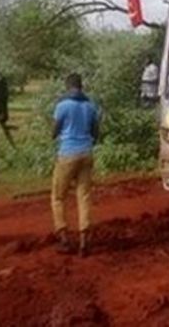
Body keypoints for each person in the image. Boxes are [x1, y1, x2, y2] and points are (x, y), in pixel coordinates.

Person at [51, 73, 100, 256]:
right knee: (84, 196)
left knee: (58, 197)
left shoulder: (62, 106)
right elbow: (96, 132)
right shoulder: (90, 106)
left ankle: (64, 238)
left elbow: (54, 132)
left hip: (67, 154)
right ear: (81, 86)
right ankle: (83, 241)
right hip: (86, 153)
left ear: (67, 86)